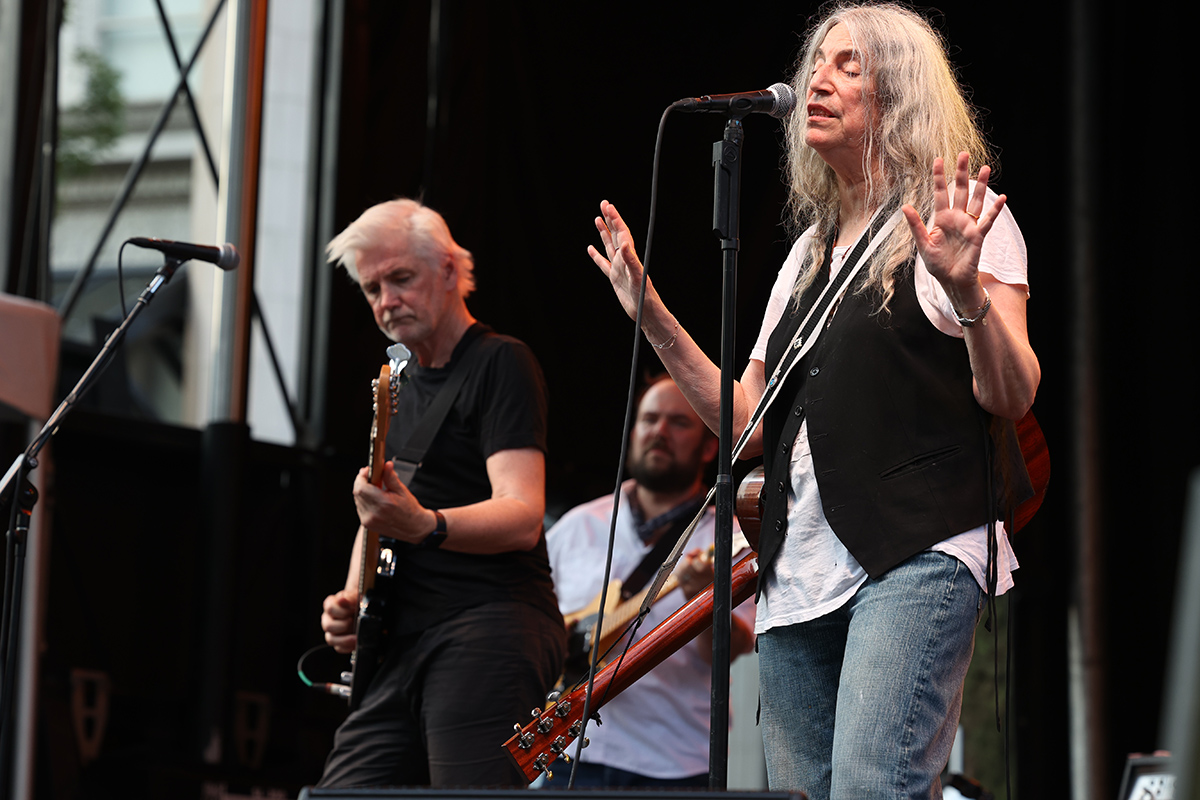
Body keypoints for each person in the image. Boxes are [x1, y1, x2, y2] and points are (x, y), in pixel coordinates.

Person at [586, 4, 1040, 799]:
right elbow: (743, 420)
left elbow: (1011, 391)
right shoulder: (805, 253)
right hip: (798, 575)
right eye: (817, 64)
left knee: (874, 786)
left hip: (916, 552)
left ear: (898, 95)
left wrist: (967, 288)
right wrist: (648, 312)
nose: (817, 81)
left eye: (849, 66)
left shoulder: (955, 223)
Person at [315, 198, 565, 788]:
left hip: (489, 623)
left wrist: (426, 524)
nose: (386, 301)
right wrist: (353, 599)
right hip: (401, 638)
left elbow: (524, 514)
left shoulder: (501, 362)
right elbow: (375, 512)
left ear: (451, 271)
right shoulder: (397, 384)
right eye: (372, 288)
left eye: (401, 278)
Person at [543, 375, 756, 788]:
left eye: (678, 422)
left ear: (710, 445)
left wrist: (702, 599)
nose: (659, 431)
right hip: (574, 755)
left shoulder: (734, 539)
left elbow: (732, 650)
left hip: (676, 764)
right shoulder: (578, 526)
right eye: (649, 419)